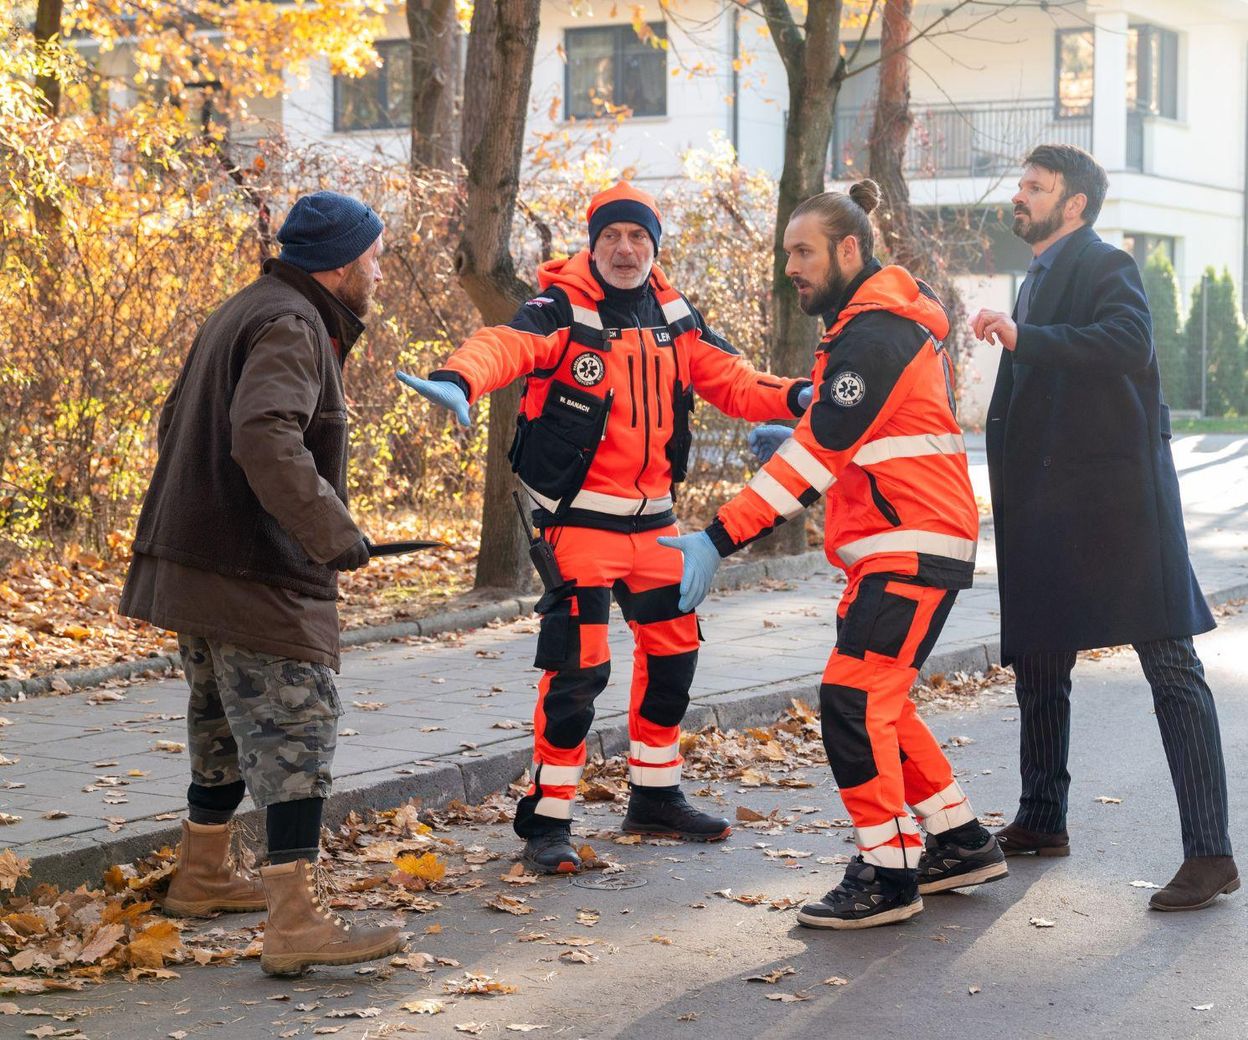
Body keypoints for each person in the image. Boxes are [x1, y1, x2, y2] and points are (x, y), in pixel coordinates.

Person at [399, 181, 813, 874]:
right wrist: (459, 379)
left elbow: (736, 382)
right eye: (612, 236)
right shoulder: (560, 308)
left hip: (656, 528)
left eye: (638, 237)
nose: (625, 249)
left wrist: (799, 394)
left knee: (674, 658)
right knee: (577, 674)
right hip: (579, 525)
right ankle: (547, 821)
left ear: (654, 247)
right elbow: (504, 344)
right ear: (593, 246)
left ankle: (655, 797)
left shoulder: (676, 316)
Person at [662, 179, 1007, 930]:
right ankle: (959, 840)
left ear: (848, 249)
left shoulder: (876, 332)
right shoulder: (869, 325)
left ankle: (888, 873)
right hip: (903, 541)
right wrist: (802, 424)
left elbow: (817, 456)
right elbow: (843, 428)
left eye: (804, 252)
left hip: (909, 543)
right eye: (787, 252)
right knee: (880, 702)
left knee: (851, 702)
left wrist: (717, 538)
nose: (791, 266)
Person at [120, 191, 404, 975]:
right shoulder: (293, 321)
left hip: (199, 562)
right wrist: (331, 531)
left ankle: (204, 873)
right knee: (298, 726)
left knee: (218, 721)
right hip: (252, 570)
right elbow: (263, 435)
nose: (379, 272)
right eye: (374, 258)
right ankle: (295, 922)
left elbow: (175, 419)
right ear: (341, 264)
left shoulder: (248, 306)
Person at [970, 144, 1238, 912]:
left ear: (1075, 203)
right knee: (1040, 657)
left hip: (1120, 505)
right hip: (1050, 505)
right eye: (1022, 184)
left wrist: (1025, 338)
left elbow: (1127, 343)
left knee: (1171, 667)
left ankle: (1210, 853)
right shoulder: (1038, 274)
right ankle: (1042, 816)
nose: (1020, 195)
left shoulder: (1105, 263)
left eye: (1036, 187)